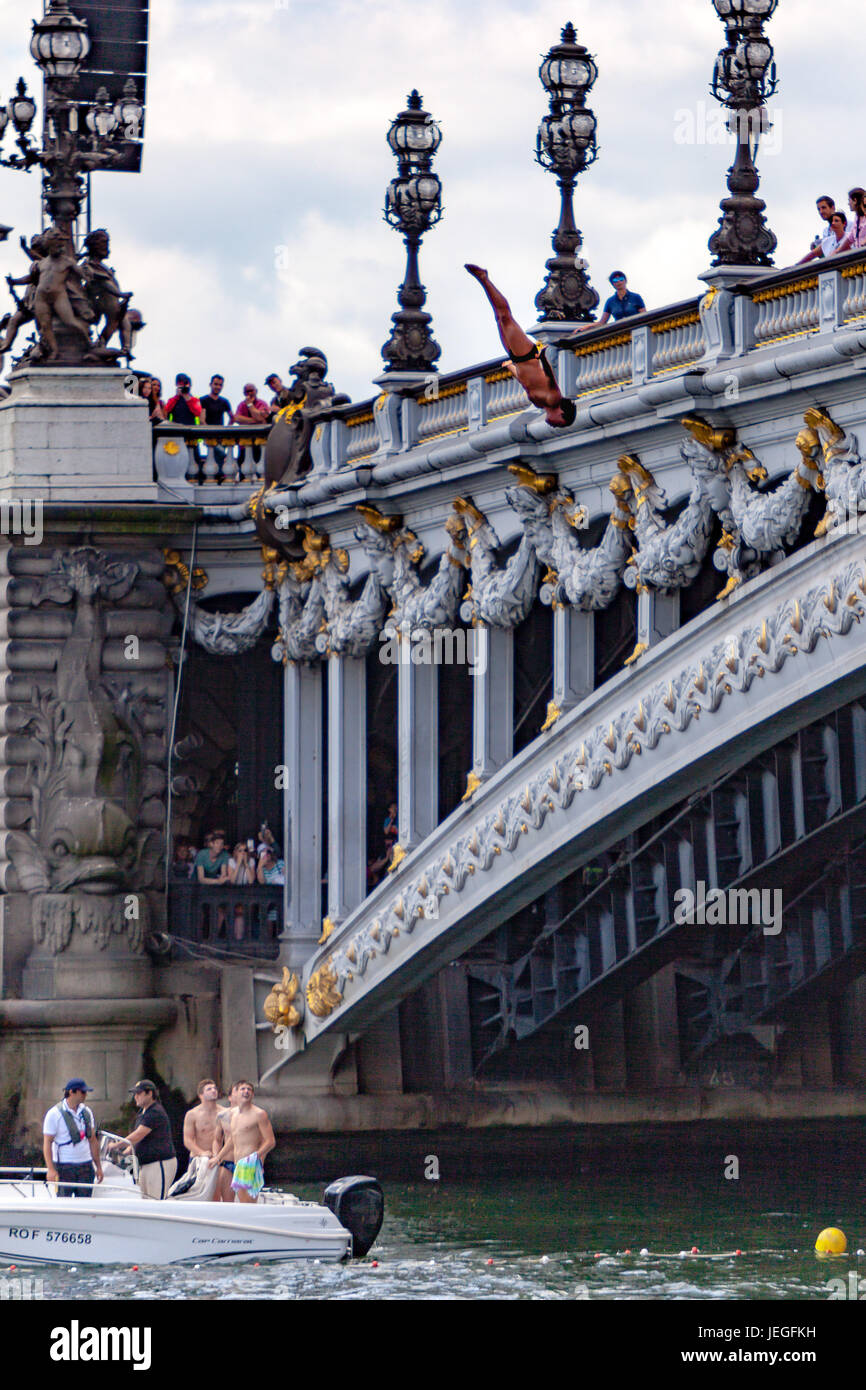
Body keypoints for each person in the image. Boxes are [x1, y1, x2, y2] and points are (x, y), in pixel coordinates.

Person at [464, 264, 576, 428]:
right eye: (559, 424)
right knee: (505, 316)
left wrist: (511, 368)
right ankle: (483, 278)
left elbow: (526, 382)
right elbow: (550, 377)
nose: (554, 425)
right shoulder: (554, 399)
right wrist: (542, 355)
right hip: (527, 355)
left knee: (499, 317)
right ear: (562, 415)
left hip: (517, 358)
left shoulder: (539, 405)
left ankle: (483, 280)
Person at [111, 1080, 177, 1199]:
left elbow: (138, 1135)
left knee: (156, 1200)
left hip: (159, 1163)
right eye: (135, 1093)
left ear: (149, 1094)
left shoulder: (155, 1111)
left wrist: (116, 1145)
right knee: (145, 1199)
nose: (135, 1096)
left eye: (139, 1093)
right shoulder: (143, 1113)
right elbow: (140, 1140)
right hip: (145, 1164)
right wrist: (126, 1152)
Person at [211, 1080, 275, 1204]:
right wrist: (218, 1157)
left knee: (248, 1203)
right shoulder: (233, 1114)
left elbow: (270, 1141)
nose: (246, 1092)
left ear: (252, 1095)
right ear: (236, 1094)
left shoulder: (259, 1114)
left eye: (249, 1090)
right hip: (237, 1163)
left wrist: (256, 1156)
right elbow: (232, 1139)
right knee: (238, 1202)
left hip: (249, 1163)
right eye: (243, 1089)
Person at [42, 1078, 103, 1198]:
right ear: (71, 1092)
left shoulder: (86, 1112)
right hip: (64, 1165)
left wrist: (98, 1167)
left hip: (85, 1165)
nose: (85, 1095)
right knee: (64, 1201)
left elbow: (92, 1140)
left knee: (85, 1201)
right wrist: (50, 1169)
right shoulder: (54, 1114)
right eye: (83, 1092)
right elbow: (47, 1142)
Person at [183, 1080, 227, 1200]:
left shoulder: (224, 1113)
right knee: (196, 1193)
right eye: (209, 1089)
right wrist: (202, 1153)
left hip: (218, 1157)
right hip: (198, 1158)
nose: (214, 1091)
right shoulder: (192, 1114)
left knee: (216, 1193)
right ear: (201, 1095)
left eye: (215, 1088)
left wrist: (218, 1155)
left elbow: (230, 1138)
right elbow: (188, 1140)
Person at [577, 271, 646, 330]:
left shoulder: (636, 297)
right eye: (615, 280)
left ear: (625, 281)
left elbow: (644, 316)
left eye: (621, 279)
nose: (618, 282)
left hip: (637, 330)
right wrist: (586, 327)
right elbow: (602, 322)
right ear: (613, 284)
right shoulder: (610, 302)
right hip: (621, 332)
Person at [213, 1083, 240, 1203]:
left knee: (247, 1202)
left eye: (245, 1089)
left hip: (245, 1162)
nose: (242, 1092)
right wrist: (216, 1156)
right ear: (230, 1097)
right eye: (238, 1090)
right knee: (227, 1201)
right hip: (227, 1162)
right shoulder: (222, 1116)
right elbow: (217, 1139)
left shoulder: (253, 1115)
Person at [798, 196, 838, 263]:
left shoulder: (847, 224)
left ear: (833, 208)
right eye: (819, 209)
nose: (821, 212)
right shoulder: (826, 231)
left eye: (823, 208)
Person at [831, 188, 866, 255]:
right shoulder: (857, 218)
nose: (848, 203)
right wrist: (836, 252)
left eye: (849, 200)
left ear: (855, 200)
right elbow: (850, 238)